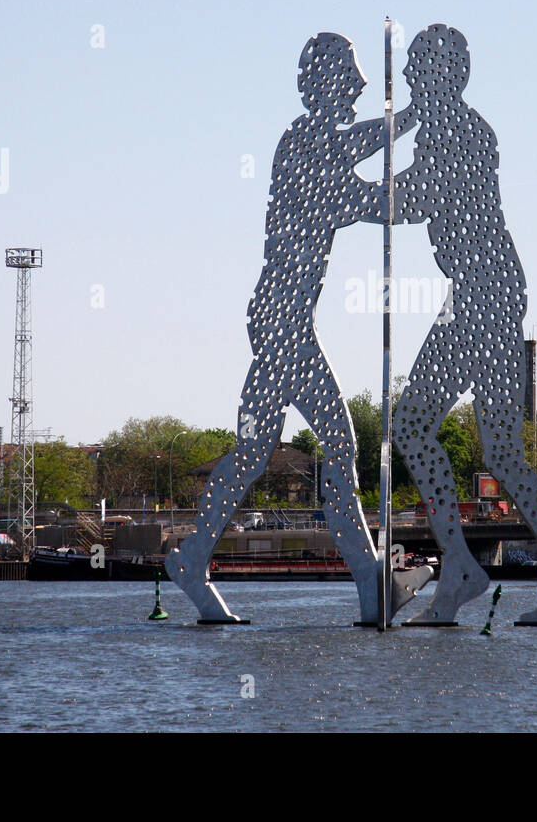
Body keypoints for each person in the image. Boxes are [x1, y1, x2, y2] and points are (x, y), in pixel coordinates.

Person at [166, 32, 422, 623]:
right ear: (326, 82)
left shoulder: (311, 143)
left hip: (281, 318)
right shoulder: (304, 144)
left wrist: (407, 119)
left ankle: (195, 556)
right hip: (282, 321)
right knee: (339, 447)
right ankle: (370, 584)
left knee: (258, 450)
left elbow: (364, 155)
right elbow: (366, 191)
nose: (360, 86)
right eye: (351, 76)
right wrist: (414, 123)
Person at [387, 24, 537, 625]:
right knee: (459, 440)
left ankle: (535, 582)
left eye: (414, 69)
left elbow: (418, 196)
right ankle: (475, 574)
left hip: (484, 296)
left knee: (466, 443)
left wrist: (346, 198)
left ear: (443, 75)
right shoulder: (448, 126)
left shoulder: (458, 131)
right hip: (479, 294)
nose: (405, 79)